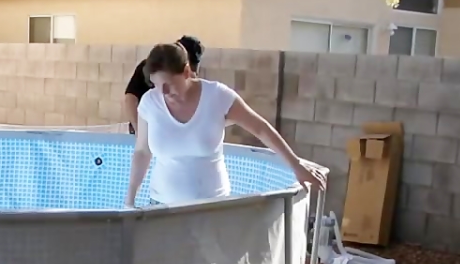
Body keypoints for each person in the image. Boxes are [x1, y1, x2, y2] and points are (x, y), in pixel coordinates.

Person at [124, 43, 326, 207]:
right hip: (161, 206)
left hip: (212, 207)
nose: (164, 92)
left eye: (169, 84)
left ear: (186, 72)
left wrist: (295, 165)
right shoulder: (150, 102)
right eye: (157, 86)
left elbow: (260, 128)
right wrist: (130, 201)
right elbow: (142, 152)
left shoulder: (217, 96)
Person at [123, 35, 203, 135]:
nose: (164, 91)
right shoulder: (149, 70)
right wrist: (138, 130)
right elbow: (130, 98)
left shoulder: (195, 82)